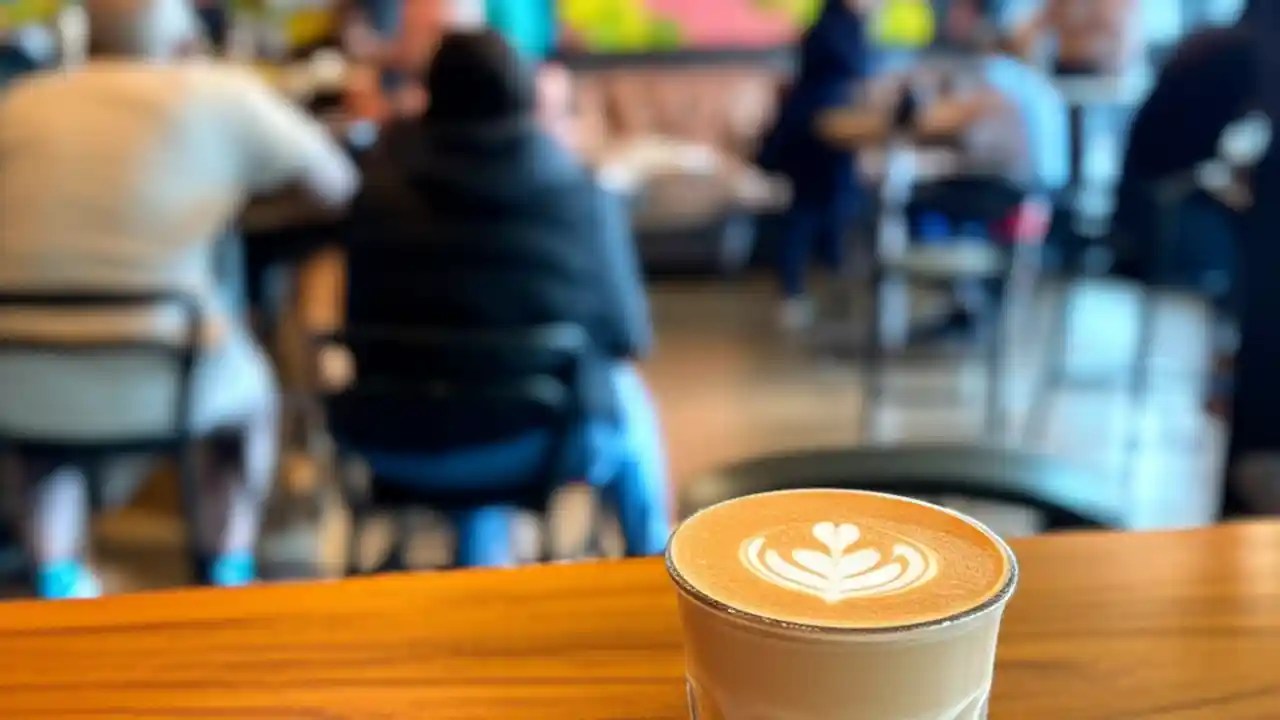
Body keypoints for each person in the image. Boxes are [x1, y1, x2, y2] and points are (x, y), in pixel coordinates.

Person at [0, 0, 358, 598]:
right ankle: (226, 566)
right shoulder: (219, 93)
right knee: (254, 400)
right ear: (183, 42)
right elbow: (337, 184)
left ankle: (55, 575)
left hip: (17, 378)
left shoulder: (22, 102)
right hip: (169, 375)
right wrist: (233, 200)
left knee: (37, 440)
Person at [346, 29, 669, 566]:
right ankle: (653, 570)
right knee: (621, 390)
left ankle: (483, 569)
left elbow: (357, 331)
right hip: (533, 445)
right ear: (526, 99)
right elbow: (628, 335)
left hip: (395, 443)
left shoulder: (374, 193)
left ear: (430, 98)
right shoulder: (580, 196)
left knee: (471, 389)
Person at [760, 0, 879, 331]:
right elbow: (848, 77)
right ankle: (797, 291)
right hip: (817, 129)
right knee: (812, 209)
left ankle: (816, 290)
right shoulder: (836, 28)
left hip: (825, 127)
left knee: (824, 207)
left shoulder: (837, 25)